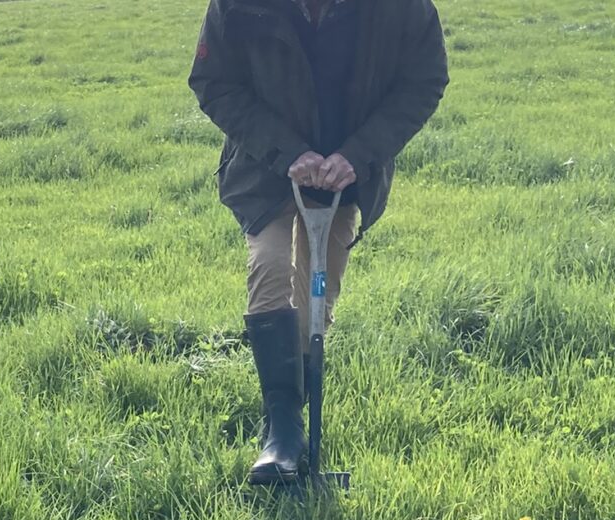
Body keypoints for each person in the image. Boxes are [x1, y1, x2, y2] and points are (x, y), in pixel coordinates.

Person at [189, 0, 448, 485]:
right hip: (266, 168)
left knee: (317, 296)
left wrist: (359, 155)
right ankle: (282, 433)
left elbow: (424, 79)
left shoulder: (404, 9)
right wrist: (286, 152)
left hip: (348, 173)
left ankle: (294, 429)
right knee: (270, 268)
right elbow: (213, 82)